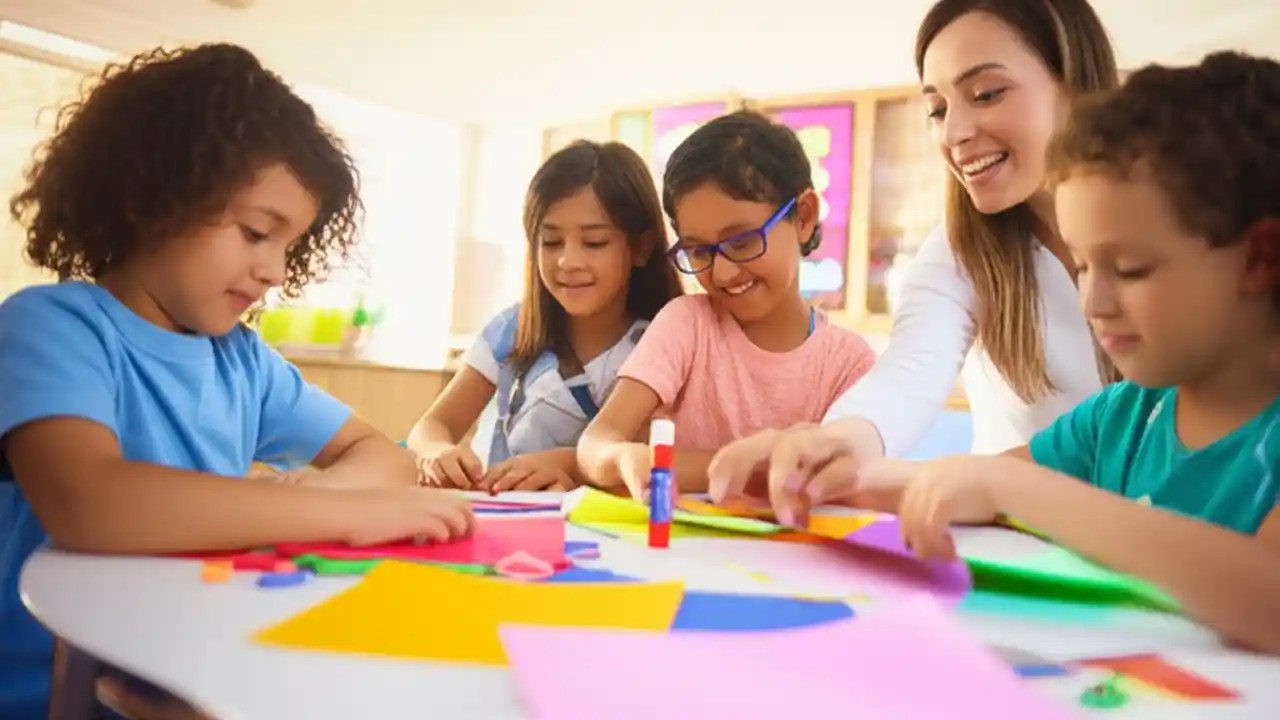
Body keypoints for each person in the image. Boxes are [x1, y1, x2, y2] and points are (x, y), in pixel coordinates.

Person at [0, 44, 473, 719]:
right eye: (257, 232)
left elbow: (382, 456)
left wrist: (308, 494)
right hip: (55, 696)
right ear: (151, 197)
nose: (277, 270)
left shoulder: (242, 362)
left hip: (192, 673)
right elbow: (89, 503)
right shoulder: (50, 327)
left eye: (289, 246)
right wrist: (344, 512)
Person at [818, 52, 1280, 652]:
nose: (1095, 301)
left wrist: (1015, 490)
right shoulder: (1123, 415)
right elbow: (957, 485)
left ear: (1261, 259)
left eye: (1131, 269)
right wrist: (817, 473)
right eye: (1084, 266)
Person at [708, 0, 1121, 510]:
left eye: (987, 94)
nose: (954, 134)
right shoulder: (959, 249)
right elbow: (910, 370)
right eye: (938, 109)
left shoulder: (1190, 231)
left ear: (1075, 85)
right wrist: (839, 441)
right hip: (1017, 538)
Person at [577, 111, 875, 499]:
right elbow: (596, 442)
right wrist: (622, 458)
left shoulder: (848, 364)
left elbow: (845, 480)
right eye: (699, 250)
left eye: (741, 242)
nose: (723, 272)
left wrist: (696, 466)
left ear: (803, 217)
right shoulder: (687, 324)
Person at [407, 141, 682, 493]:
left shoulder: (665, 342)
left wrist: (568, 468)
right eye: (551, 242)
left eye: (594, 243)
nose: (568, 261)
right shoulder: (512, 330)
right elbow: (431, 427)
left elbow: (649, 456)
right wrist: (438, 451)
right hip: (501, 521)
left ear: (641, 248)